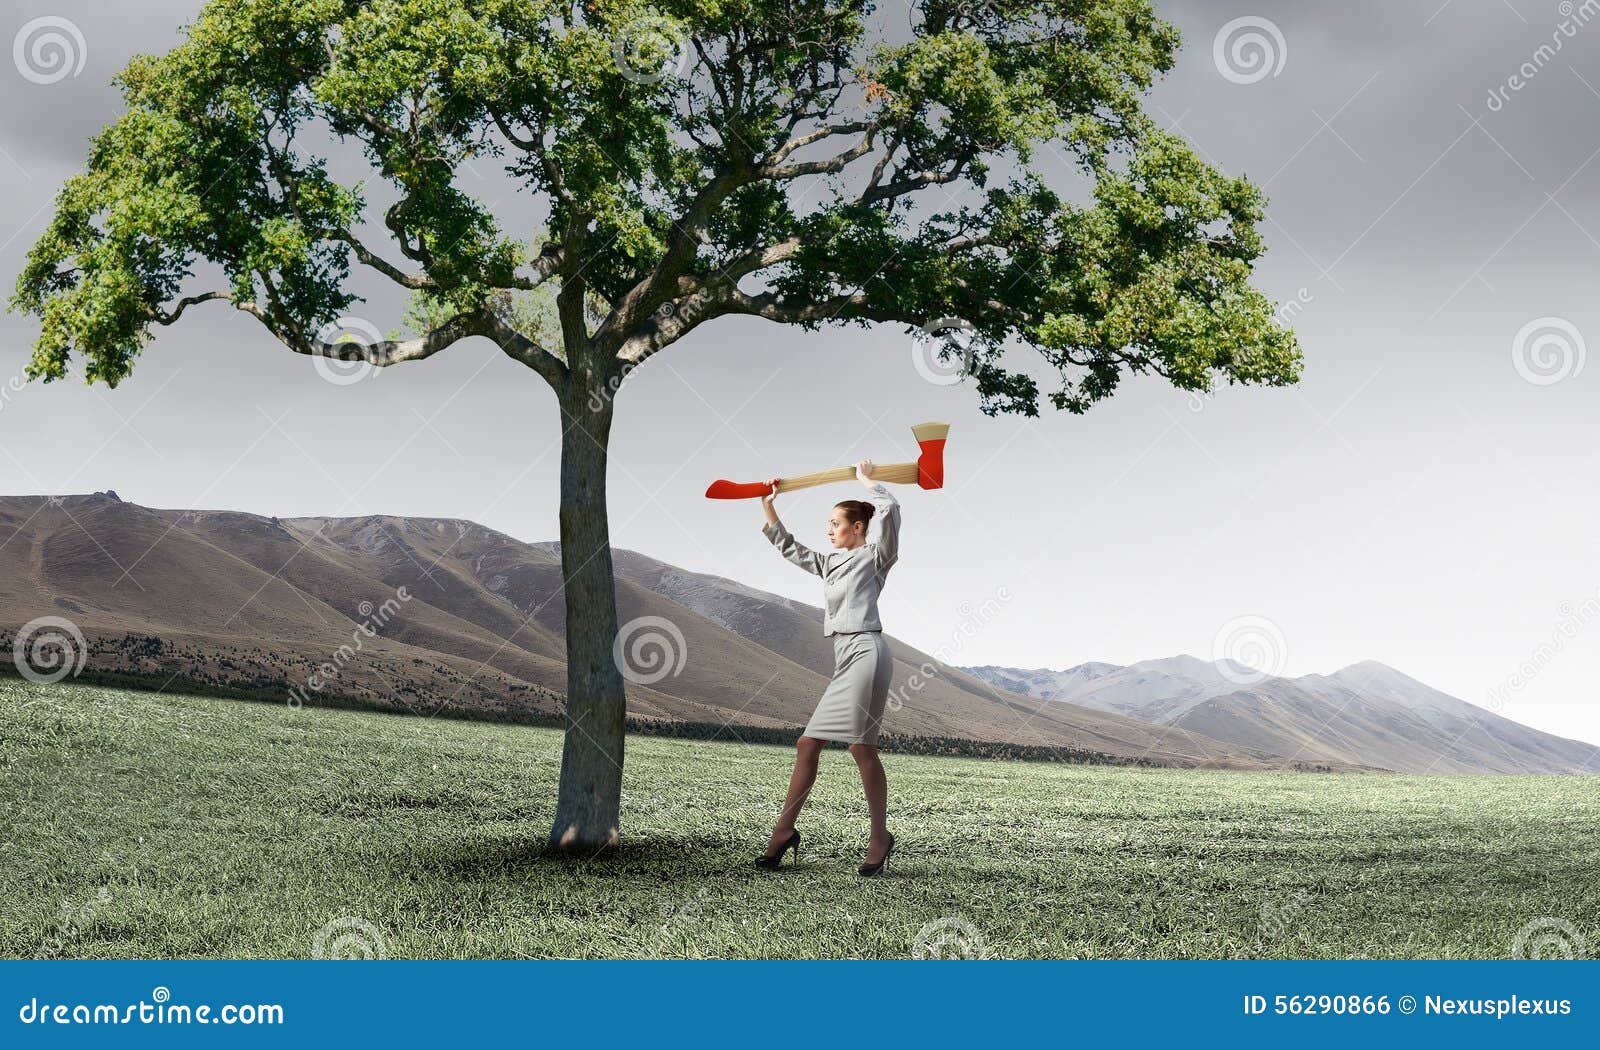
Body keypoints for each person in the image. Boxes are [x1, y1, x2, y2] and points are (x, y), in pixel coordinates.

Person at [753, 458, 900, 876]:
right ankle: (784, 831)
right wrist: (769, 506)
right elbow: (790, 548)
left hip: (868, 651)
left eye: (836, 523)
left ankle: (877, 838)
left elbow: (890, 515)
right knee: (809, 744)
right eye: (828, 523)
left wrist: (868, 482)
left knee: (860, 748)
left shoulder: (876, 557)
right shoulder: (830, 562)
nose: (829, 529)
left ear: (857, 528)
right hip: (843, 655)